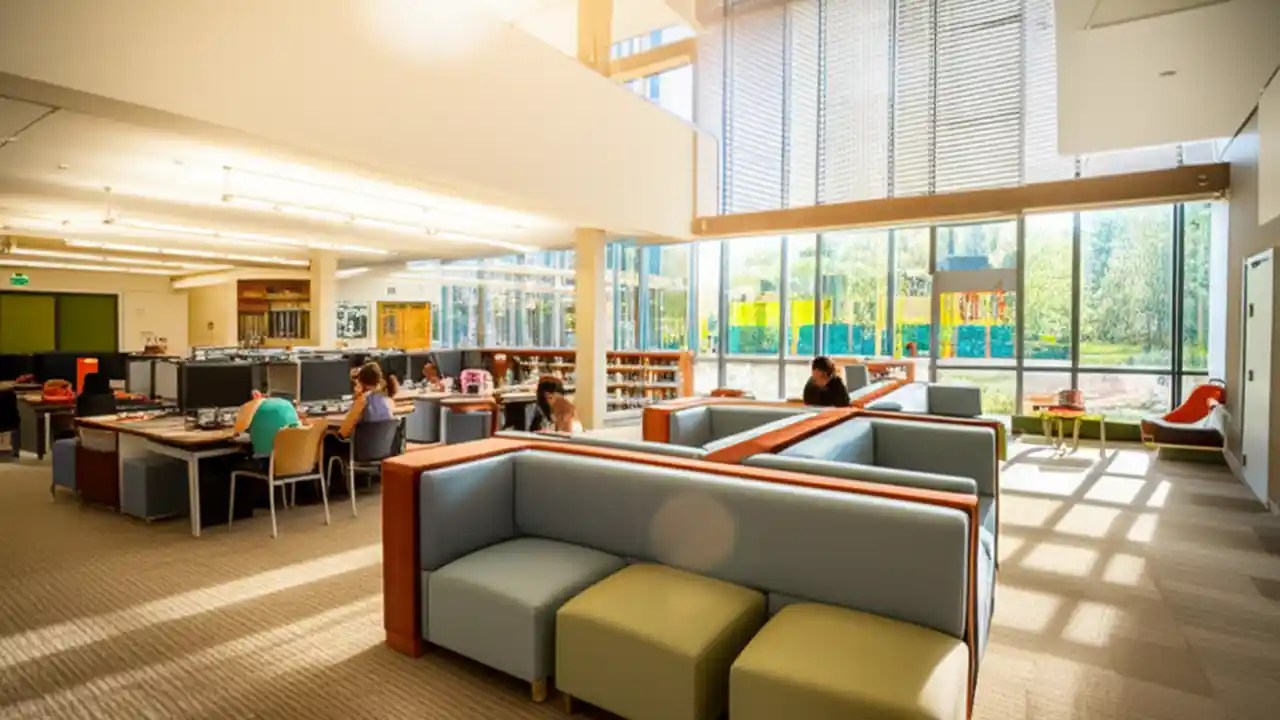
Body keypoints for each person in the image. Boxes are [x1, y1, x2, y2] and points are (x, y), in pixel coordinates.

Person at [232, 390, 303, 459]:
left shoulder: (251, 408)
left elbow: (238, 430)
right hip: (293, 461)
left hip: (265, 461)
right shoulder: (286, 405)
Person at [337, 361, 399, 438]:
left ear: (360, 381)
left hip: (360, 448)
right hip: (383, 448)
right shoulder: (389, 401)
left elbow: (343, 433)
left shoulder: (362, 402)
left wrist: (357, 397)